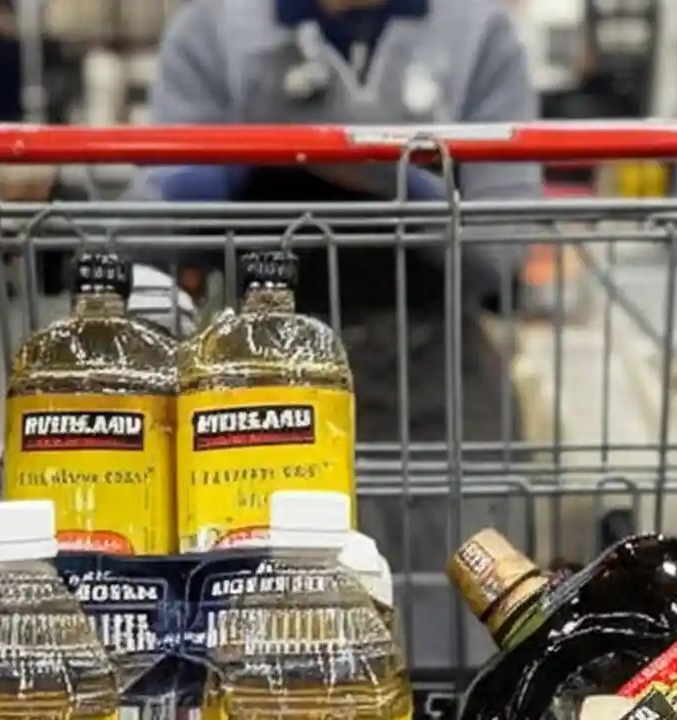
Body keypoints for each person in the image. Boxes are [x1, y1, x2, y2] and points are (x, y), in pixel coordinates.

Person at [130, 0, 543, 571]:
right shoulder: (211, 34)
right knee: (274, 609)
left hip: (439, 395)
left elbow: (500, 250)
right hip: (257, 393)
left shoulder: (480, 33)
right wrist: (233, 163)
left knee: (455, 608)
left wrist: (389, 175)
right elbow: (147, 229)